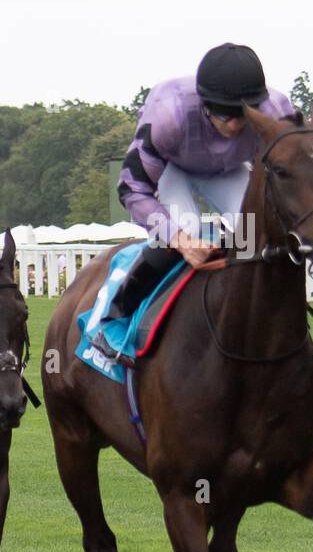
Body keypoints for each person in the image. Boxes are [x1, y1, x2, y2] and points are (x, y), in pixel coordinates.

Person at [92, 42, 297, 358]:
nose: (233, 125)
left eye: (242, 115)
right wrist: (180, 239)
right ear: (204, 103)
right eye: (224, 114)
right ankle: (117, 318)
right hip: (175, 168)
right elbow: (131, 188)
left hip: (229, 170)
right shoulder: (168, 116)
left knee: (251, 233)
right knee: (183, 230)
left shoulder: (279, 113)